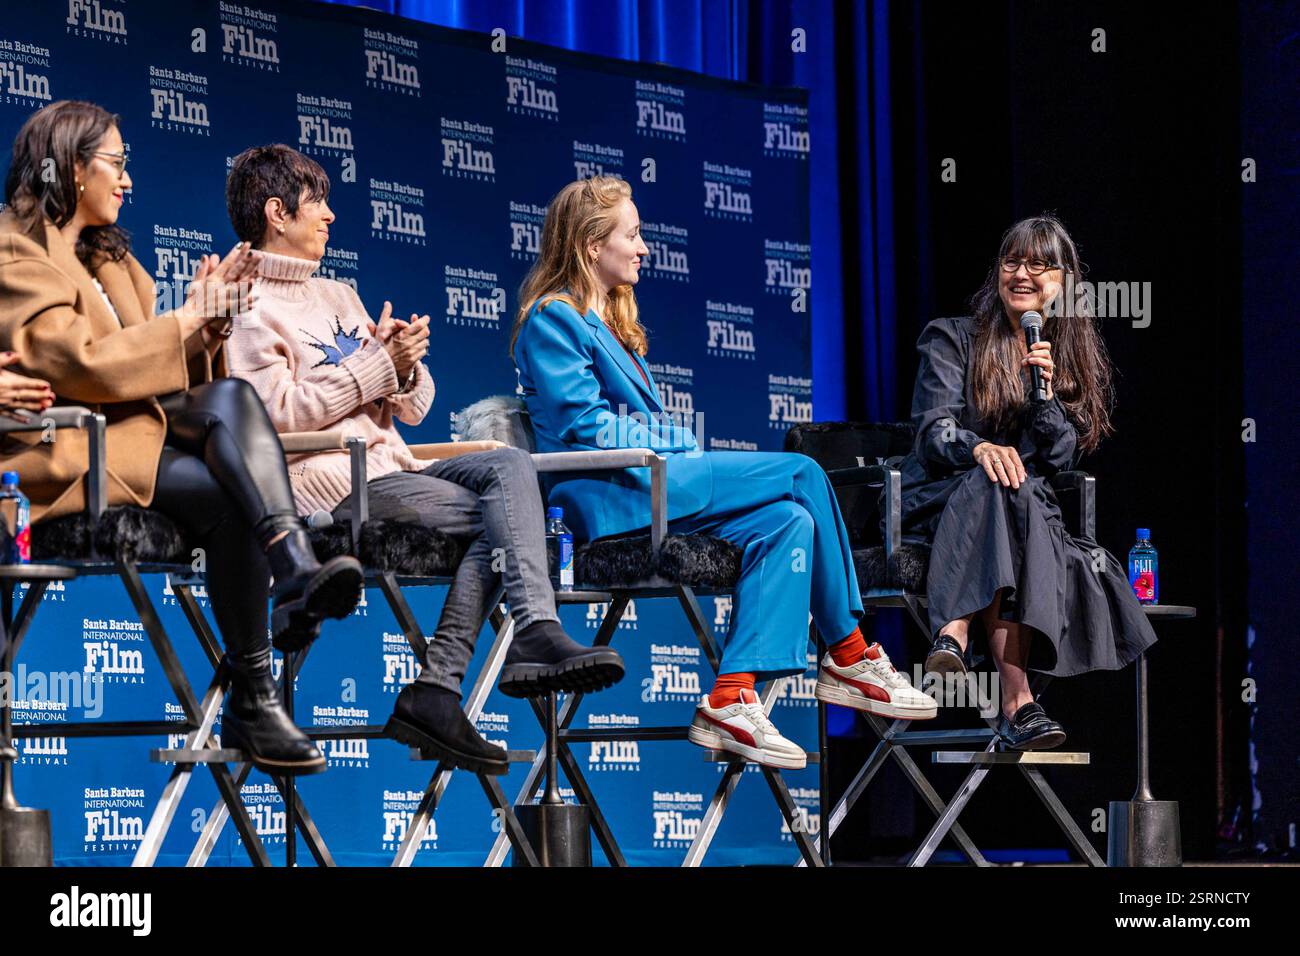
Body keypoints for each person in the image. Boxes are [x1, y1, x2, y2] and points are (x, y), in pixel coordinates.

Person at [223, 145, 624, 776]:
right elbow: (273, 418)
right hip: (330, 484)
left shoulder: (338, 292)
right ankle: (451, 683)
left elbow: (412, 408)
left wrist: (404, 368)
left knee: (511, 471)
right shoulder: (243, 308)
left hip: (394, 468)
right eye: (317, 203)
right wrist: (375, 366)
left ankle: (466, 672)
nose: (330, 215)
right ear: (277, 212)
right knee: (515, 528)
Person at [511, 176, 936, 770]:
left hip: (651, 482)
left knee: (789, 523)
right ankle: (849, 652)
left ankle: (731, 696)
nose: (643, 247)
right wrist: (675, 438)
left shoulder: (608, 324)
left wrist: (668, 444)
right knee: (804, 474)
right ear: (589, 245)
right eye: (631, 235)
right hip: (615, 496)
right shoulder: (553, 320)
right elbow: (587, 427)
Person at [0, 101, 365, 776]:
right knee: (228, 449)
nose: (128, 180)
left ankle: (267, 651)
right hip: (69, 454)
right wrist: (188, 320)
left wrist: (210, 328)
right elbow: (78, 364)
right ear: (73, 168)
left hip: (135, 437)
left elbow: (156, 373)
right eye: (116, 163)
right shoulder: (16, 252)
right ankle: (282, 606)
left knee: (230, 434)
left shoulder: (110, 259)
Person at [901, 214, 1157, 749]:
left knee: (1012, 488)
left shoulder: (1061, 357)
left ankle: (954, 633)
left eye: (1040, 265)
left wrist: (1042, 393)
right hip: (941, 503)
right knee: (999, 480)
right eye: (1012, 261)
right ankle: (1019, 702)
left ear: (1065, 283)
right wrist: (979, 447)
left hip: (1023, 515)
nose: (1022, 273)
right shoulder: (951, 339)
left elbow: (1061, 457)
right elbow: (933, 431)